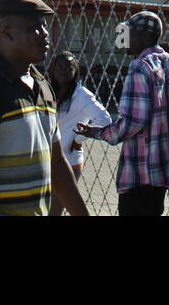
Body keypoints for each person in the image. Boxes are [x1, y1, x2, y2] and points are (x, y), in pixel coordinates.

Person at [0, 0, 88, 216]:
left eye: (45, 27)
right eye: (34, 28)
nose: (45, 34)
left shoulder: (43, 86)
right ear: (7, 33)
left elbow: (56, 163)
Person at [76, 11, 169, 216]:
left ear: (145, 36)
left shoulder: (140, 66)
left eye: (129, 33)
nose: (125, 39)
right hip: (163, 168)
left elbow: (133, 123)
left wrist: (99, 133)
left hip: (139, 171)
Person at [48, 51, 111, 215]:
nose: (63, 70)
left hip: (68, 160)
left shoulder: (81, 95)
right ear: (52, 69)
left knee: (55, 209)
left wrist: (79, 138)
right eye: (59, 67)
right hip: (45, 160)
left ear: (75, 70)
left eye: (69, 67)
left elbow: (105, 119)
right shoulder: (47, 91)